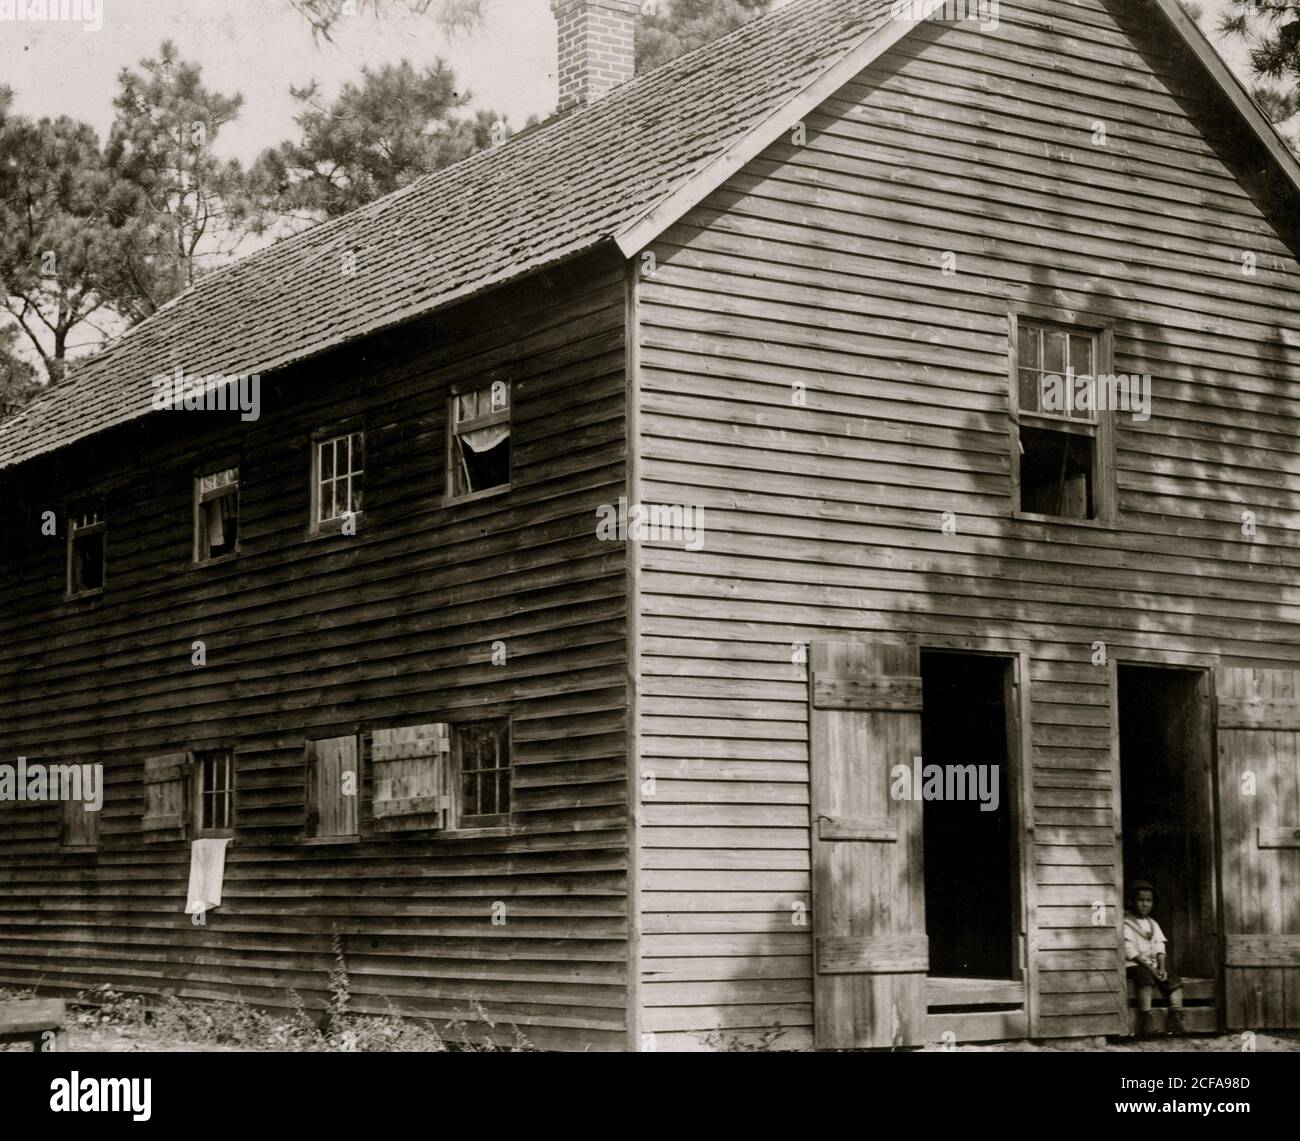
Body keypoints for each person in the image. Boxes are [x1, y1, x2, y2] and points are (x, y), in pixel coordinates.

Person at [1124, 879, 1185, 1037]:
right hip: (1133, 964)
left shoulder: (1153, 924)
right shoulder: (1126, 923)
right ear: (1131, 902)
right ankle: (1146, 1020)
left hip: (1152, 965)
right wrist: (1151, 969)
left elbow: (1160, 947)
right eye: (1140, 900)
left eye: (1149, 900)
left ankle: (1175, 1017)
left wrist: (1162, 968)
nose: (1145, 904)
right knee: (1146, 981)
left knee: (1174, 980)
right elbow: (1130, 951)